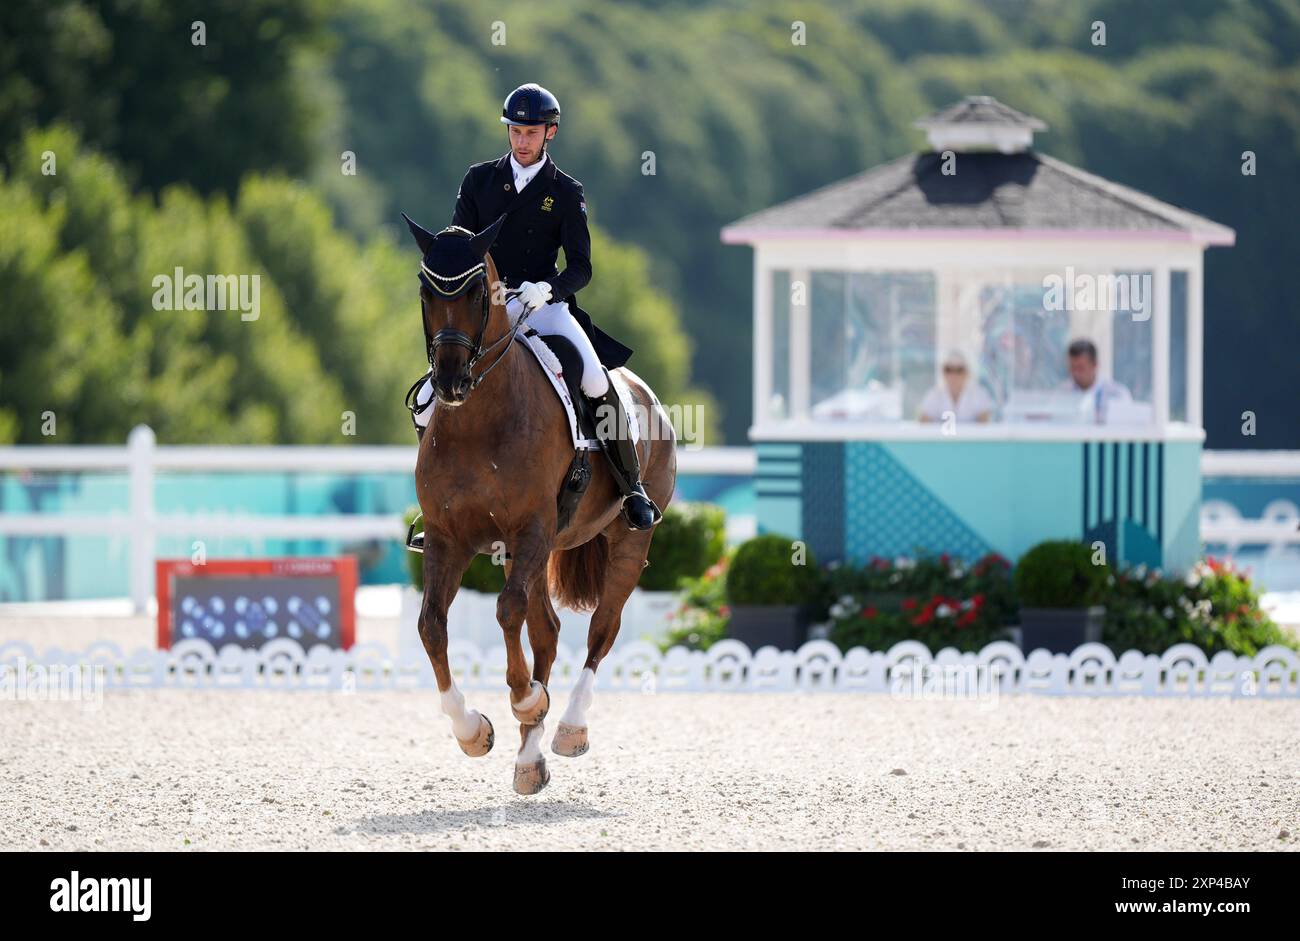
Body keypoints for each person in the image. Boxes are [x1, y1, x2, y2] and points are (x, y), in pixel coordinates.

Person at [405, 83, 661, 535]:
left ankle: (631, 487)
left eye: (531, 132)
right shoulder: (479, 179)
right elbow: (461, 248)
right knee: (429, 398)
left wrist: (549, 288)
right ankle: (439, 507)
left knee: (595, 378)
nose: (522, 140)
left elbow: (581, 266)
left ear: (550, 133)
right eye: (516, 131)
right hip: (488, 304)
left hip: (542, 304)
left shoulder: (565, 191)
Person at [1059, 338, 1132, 424]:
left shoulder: (1117, 394)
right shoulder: (1062, 393)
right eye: (1072, 367)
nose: (1076, 373)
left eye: (1081, 368)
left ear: (1095, 365)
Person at [917, 350, 995, 423]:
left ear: (967, 373)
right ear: (943, 373)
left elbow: (985, 423)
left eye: (959, 370)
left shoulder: (979, 394)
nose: (953, 375)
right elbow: (923, 423)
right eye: (949, 370)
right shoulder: (934, 395)